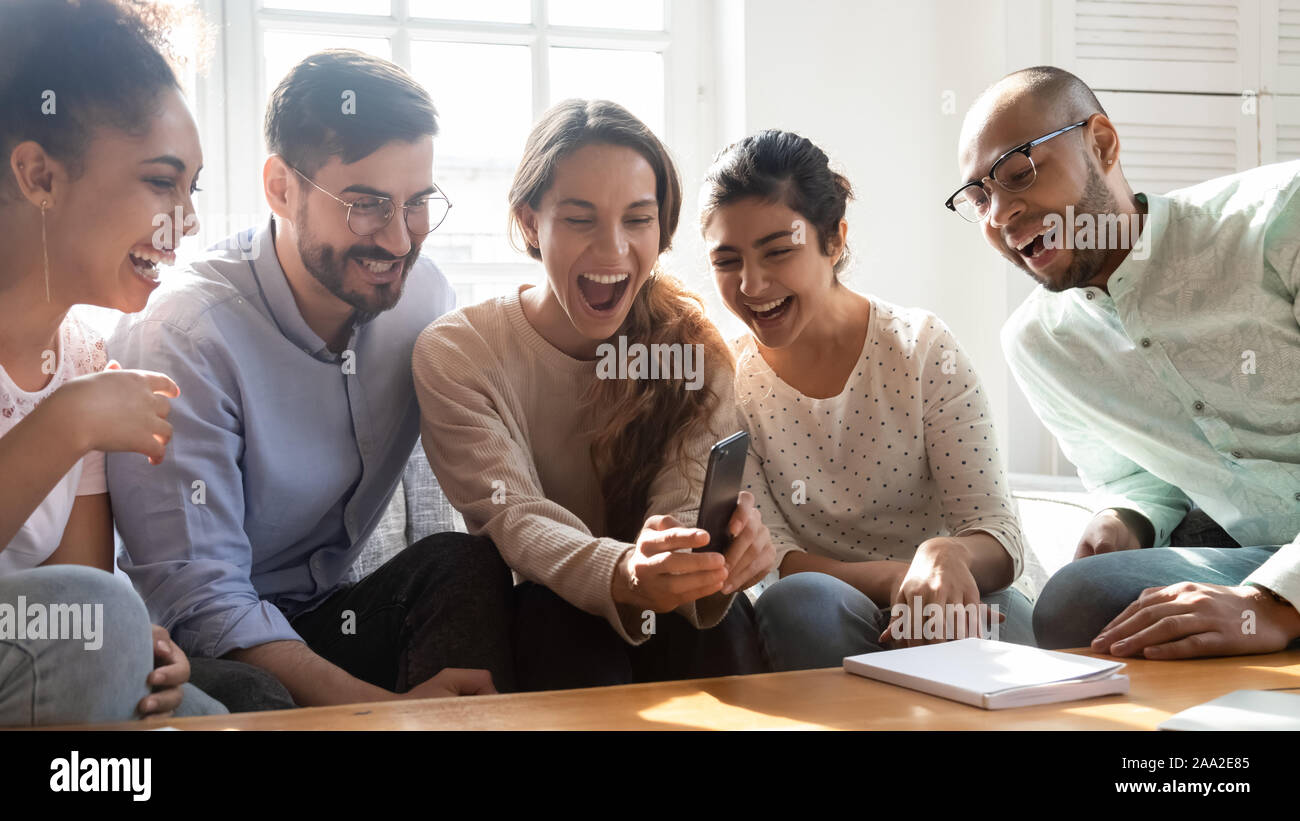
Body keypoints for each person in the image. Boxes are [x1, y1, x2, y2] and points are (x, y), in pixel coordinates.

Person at [106, 49, 515, 711]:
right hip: (197, 650)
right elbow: (204, 604)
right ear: (280, 187)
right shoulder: (187, 334)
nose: (399, 240)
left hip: (328, 617)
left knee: (464, 564)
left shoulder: (422, 298)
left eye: (417, 204)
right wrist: (384, 713)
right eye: (366, 204)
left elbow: (482, 461)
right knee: (255, 691)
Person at [413, 99, 793, 690]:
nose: (613, 250)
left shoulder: (692, 349)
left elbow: (683, 505)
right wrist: (624, 571)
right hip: (545, 623)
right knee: (556, 614)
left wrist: (707, 557)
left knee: (714, 623)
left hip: (677, 626)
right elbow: (513, 517)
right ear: (526, 223)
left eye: (638, 219)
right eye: (579, 218)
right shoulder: (458, 353)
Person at [950, 65, 1300, 657]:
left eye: (1018, 173)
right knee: (1077, 600)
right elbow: (1131, 477)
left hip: (1274, 581)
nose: (1001, 213)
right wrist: (1128, 519)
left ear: (1102, 144)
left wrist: (1274, 602)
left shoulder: (1276, 219)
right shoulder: (1040, 343)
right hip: (1254, 558)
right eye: (979, 197)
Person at [699, 130, 1031, 671]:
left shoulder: (922, 349)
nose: (752, 284)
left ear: (834, 241)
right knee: (799, 603)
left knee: (1002, 628)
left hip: (958, 602)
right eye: (726, 261)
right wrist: (899, 580)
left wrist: (943, 555)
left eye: (778, 252)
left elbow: (998, 532)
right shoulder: (727, 377)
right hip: (830, 612)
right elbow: (776, 559)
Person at [0, 0, 225, 724]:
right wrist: (69, 421)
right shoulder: (83, 400)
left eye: (193, 189)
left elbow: (79, 587)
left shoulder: (84, 362)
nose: (185, 220)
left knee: (207, 714)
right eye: (162, 182)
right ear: (39, 176)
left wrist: (141, 645)